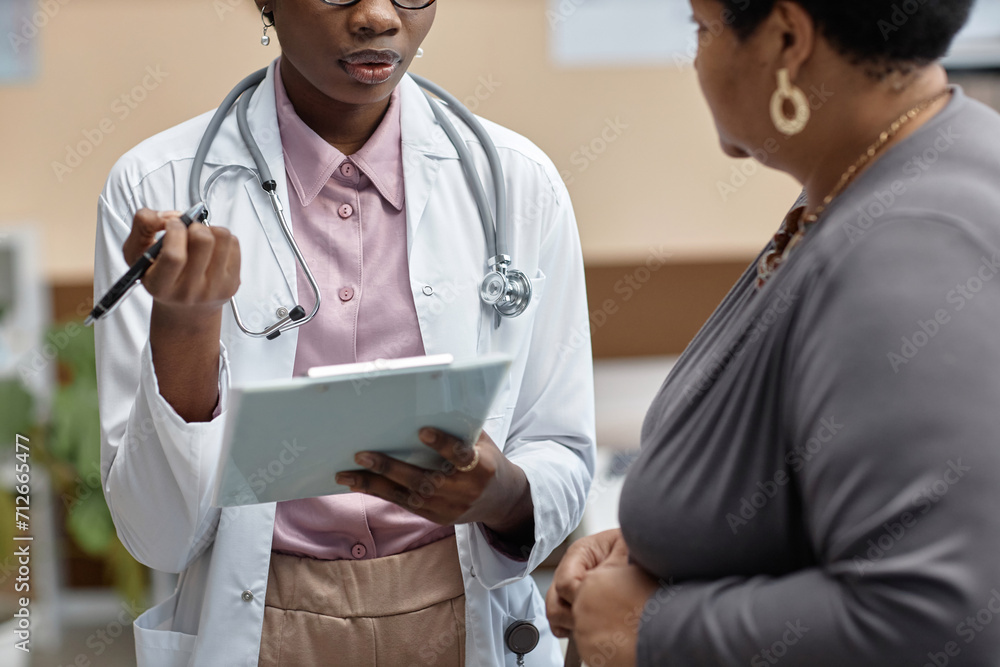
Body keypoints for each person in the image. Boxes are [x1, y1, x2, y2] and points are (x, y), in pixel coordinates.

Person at [93, 1, 596, 665]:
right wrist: (186, 323)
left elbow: (560, 443)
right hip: (261, 622)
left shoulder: (518, 183)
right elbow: (156, 534)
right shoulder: (156, 188)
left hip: (460, 615)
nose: (380, 17)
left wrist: (502, 493)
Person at [547, 0, 1000, 665]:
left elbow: (931, 619)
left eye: (702, 31)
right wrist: (662, 545)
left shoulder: (905, 248)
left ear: (787, 39)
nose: (697, 59)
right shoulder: (875, 170)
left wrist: (654, 627)